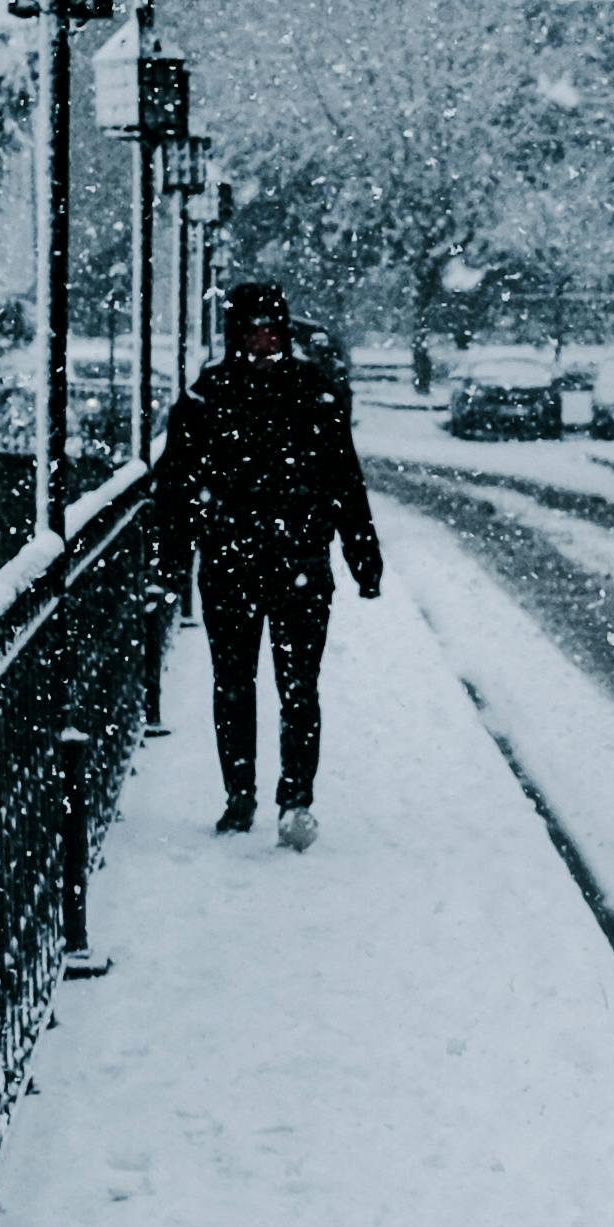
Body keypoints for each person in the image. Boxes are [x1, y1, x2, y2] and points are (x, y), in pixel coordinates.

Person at [151, 278, 386, 843]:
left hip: (289, 561)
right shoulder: (218, 397)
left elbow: (343, 480)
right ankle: (241, 795)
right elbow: (177, 487)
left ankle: (294, 798)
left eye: (270, 328)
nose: (262, 339)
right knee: (236, 683)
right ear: (237, 334)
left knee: (296, 686)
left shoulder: (300, 393)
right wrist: (171, 559)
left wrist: (362, 554)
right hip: (243, 563)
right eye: (252, 330)